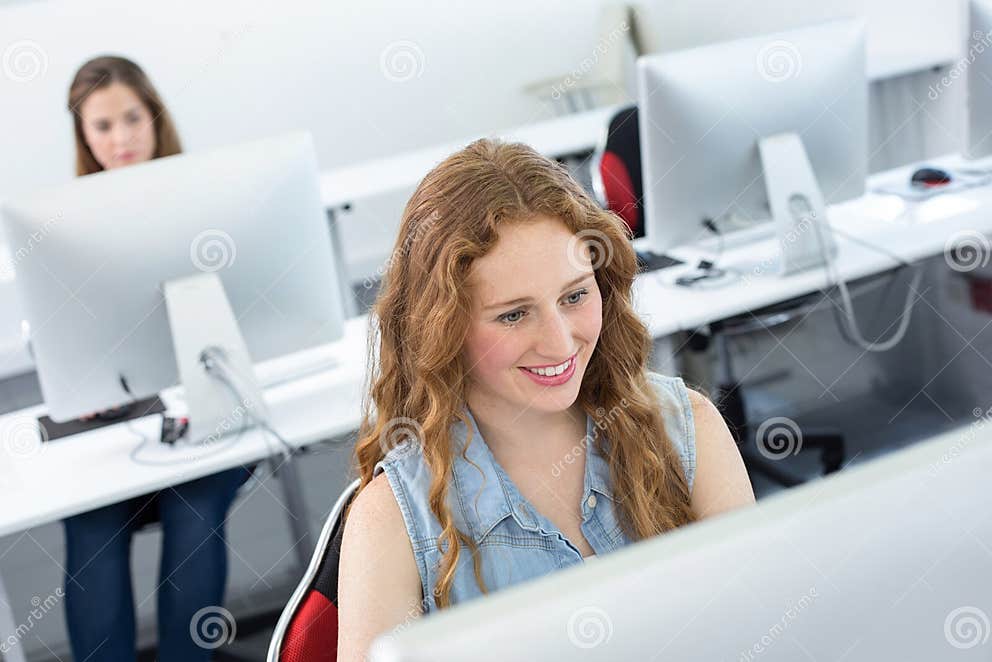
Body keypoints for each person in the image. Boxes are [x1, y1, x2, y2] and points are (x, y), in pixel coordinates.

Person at [336, 139, 756, 659]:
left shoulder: (688, 429)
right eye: (513, 315)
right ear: (442, 330)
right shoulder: (391, 523)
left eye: (575, 296)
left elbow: (759, 632)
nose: (560, 343)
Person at [61, 55, 250, 662]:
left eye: (132, 118)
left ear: (154, 117)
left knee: (196, 506)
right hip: (119, 418)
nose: (120, 138)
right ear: (83, 136)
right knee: (90, 525)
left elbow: (239, 304)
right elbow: (65, 339)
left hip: (203, 403)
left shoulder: (202, 197)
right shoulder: (66, 223)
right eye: (102, 126)